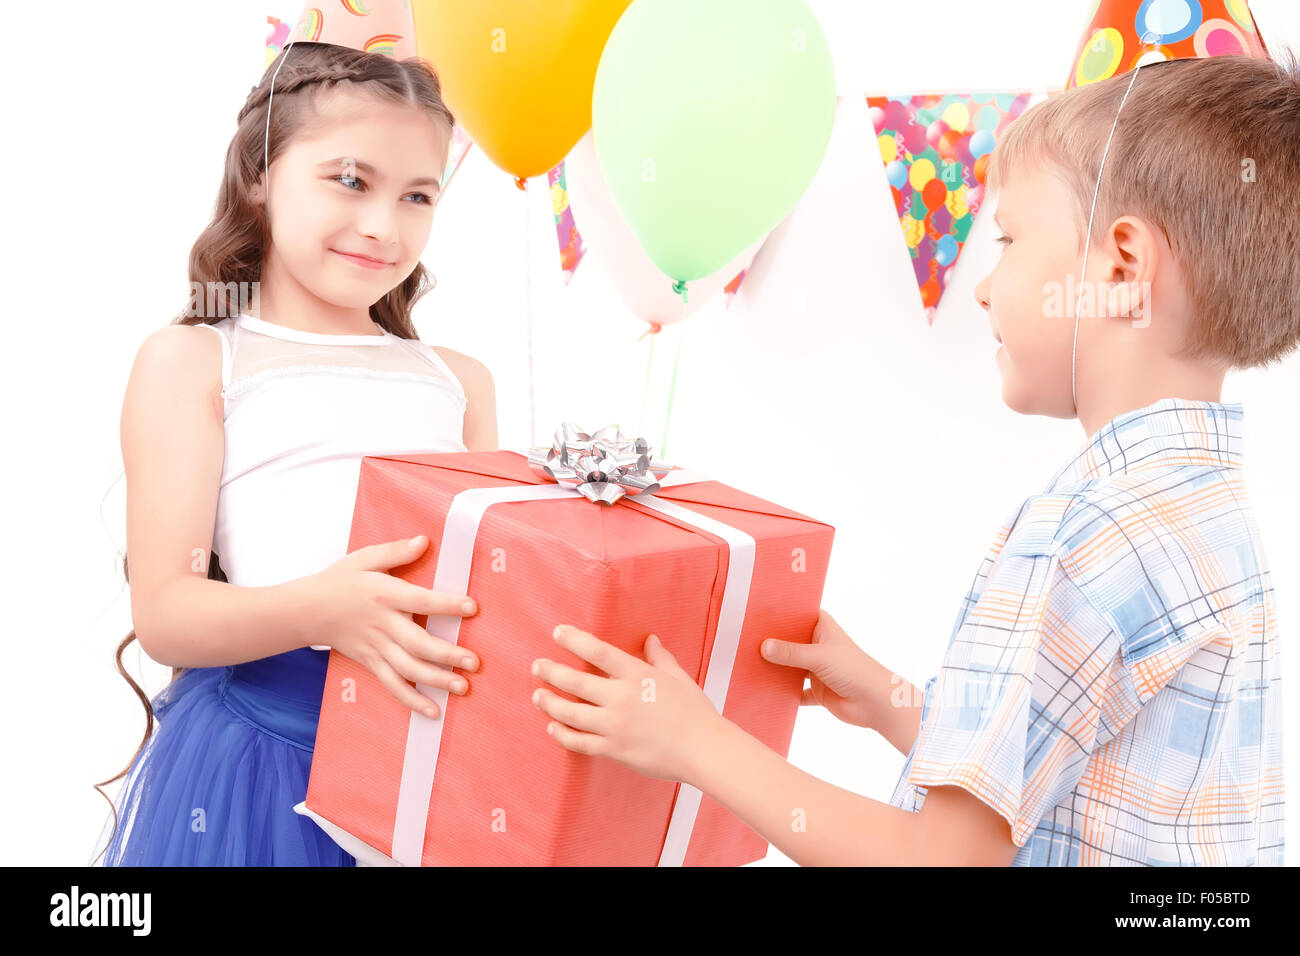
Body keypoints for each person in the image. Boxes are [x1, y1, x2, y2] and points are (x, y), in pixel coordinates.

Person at [530, 49, 1297, 865]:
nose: (983, 286)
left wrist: (692, 743)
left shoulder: (1082, 532)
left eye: (1008, 239)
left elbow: (943, 860)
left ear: (1120, 267)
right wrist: (891, 698)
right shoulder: (1209, 511)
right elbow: (1065, 770)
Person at [90, 41, 497, 866]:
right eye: (350, 180)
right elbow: (166, 614)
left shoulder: (458, 380)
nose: (385, 225)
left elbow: (484, 589)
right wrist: (328, 608)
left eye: (418, 195)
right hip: (264, 765)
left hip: (429, 768)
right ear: (260, 173)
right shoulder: (200, 360)